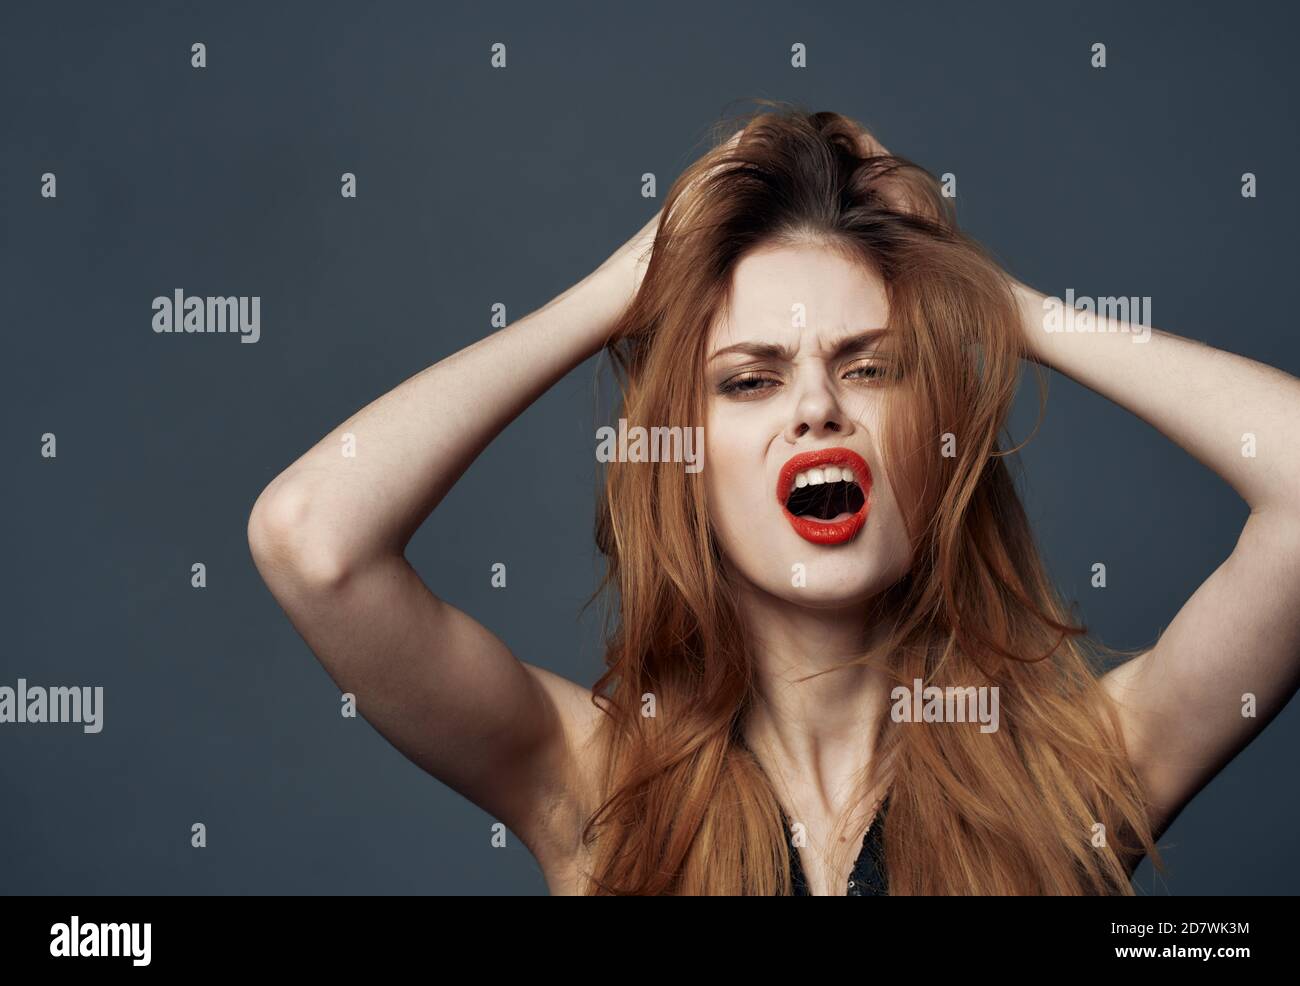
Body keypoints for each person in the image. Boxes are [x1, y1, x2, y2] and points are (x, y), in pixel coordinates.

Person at [247, 100, 1300, 895]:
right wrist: (625, 283)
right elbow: (313, 539)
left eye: (871, 367)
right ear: (685, 459)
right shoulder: (601, 788)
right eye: (748, 380)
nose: (815, 408)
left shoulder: (1077, 771)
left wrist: (987, 298)